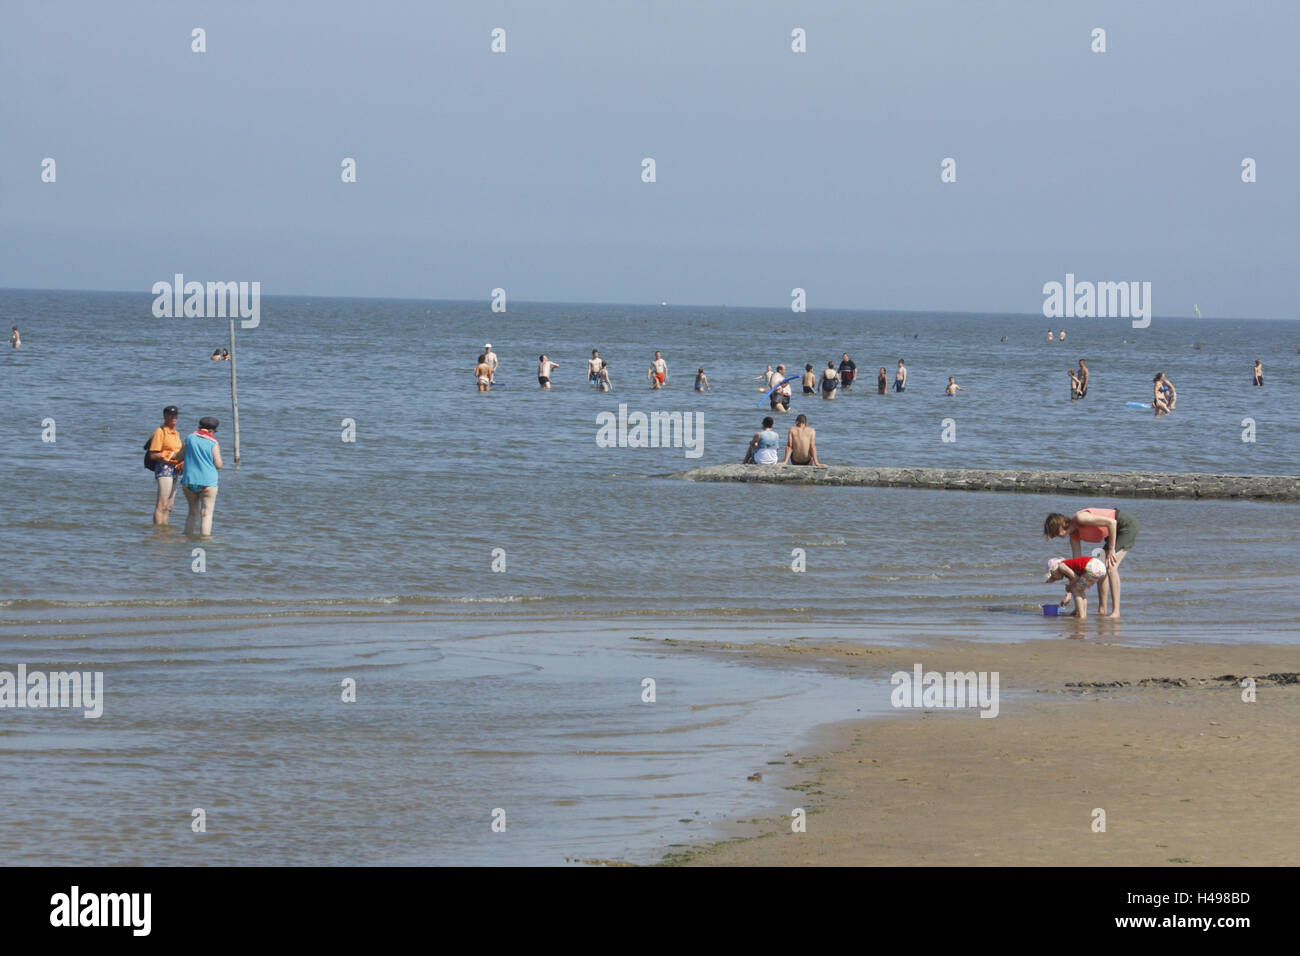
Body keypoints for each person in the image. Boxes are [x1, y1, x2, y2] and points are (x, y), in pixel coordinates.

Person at [1043, 507, 1137, 619]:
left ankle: (1116, 612)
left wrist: (1111, 549)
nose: (1056, 537)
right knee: (1102, 569)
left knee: (1111, 566)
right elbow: (1075, 570)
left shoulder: (1080, 518)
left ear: (1061, 525)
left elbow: (1112, 523)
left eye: (1055, 533)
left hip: (1124, 526)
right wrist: (1069, 593)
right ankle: (1102, 610)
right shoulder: (1074, 537)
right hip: (1111, 534)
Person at [176, 417, 223, 537]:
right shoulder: (213, 442)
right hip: (208, 482)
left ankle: (187, 536)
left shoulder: (190, 438)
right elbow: (218, 465)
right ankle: (205, 540)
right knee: (206, 514)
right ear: (213, 430)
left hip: (189, 481)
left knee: (192, 513)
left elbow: (179, 457)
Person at [146, 405, 184, 525]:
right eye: (170, 414)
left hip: (175, 469)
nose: (173, 417)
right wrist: (169, 456)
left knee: (169, 506)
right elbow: (153, 454)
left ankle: (165, 530)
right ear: (164, 416)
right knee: (162, 504)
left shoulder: (176, 433)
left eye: (175, 415)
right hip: (164, 468)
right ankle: (158, 532)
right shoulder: (160, 431)